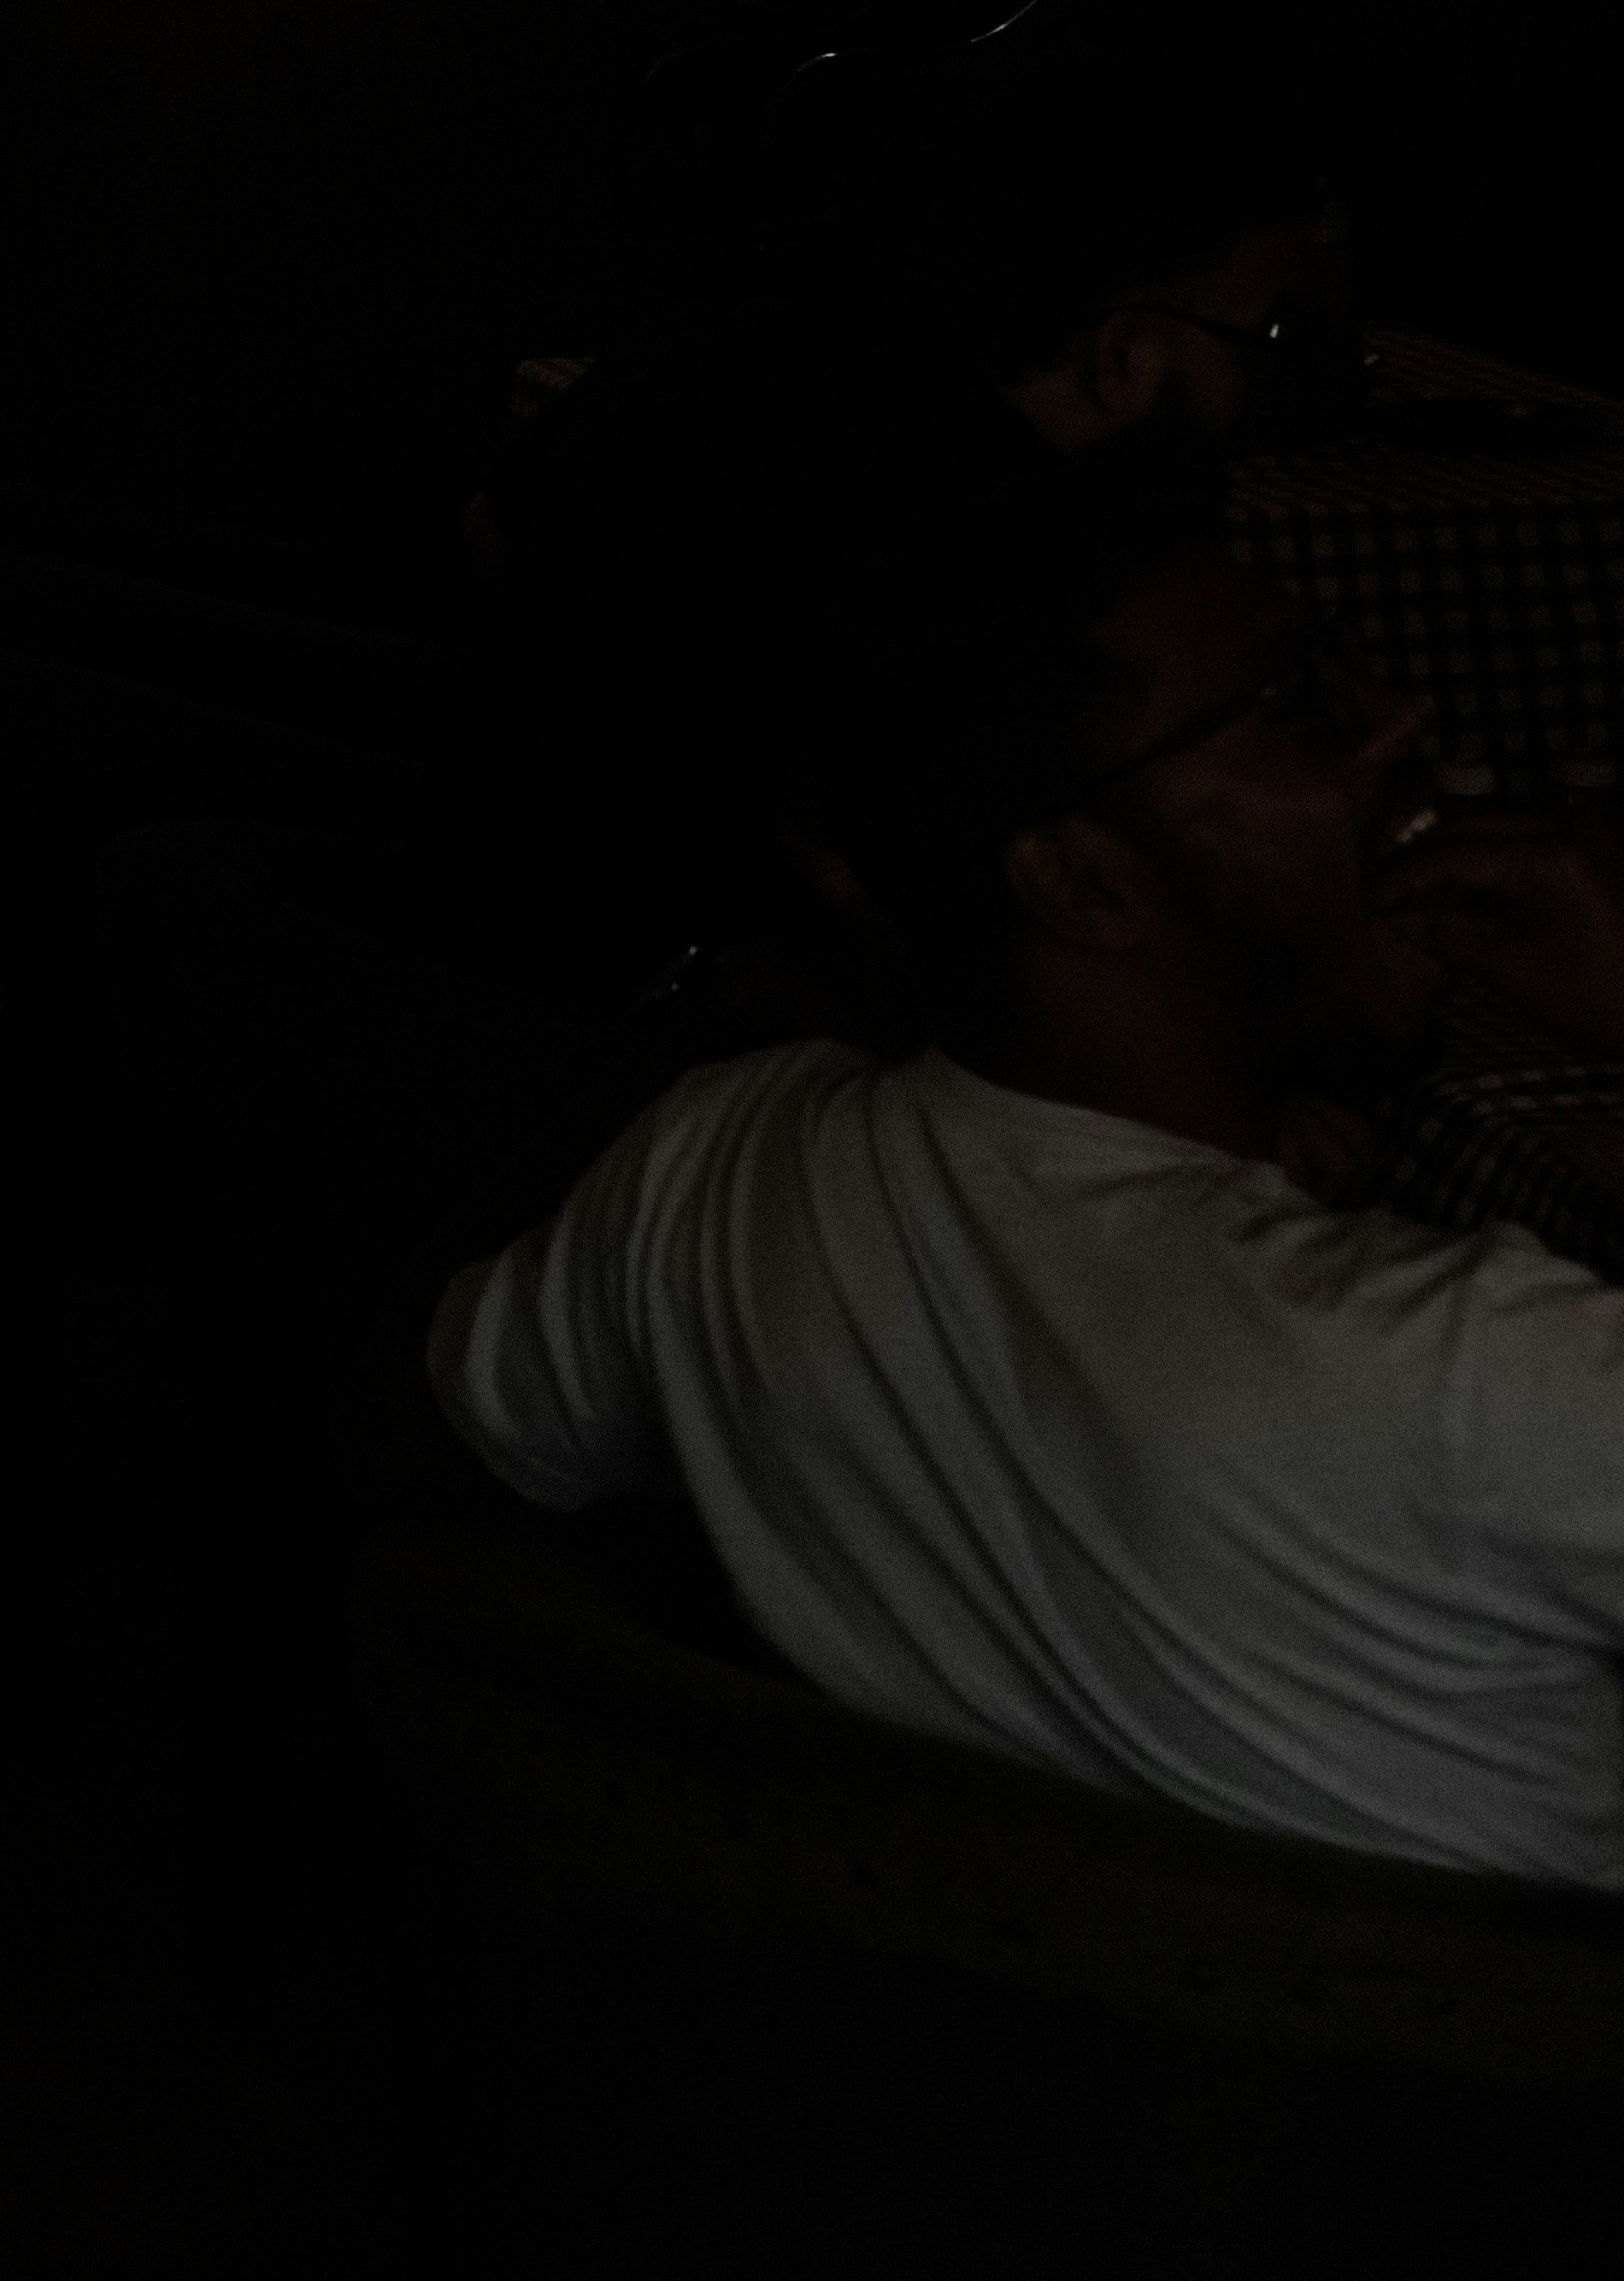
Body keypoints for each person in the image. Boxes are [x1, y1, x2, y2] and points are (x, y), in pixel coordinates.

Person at [432, 444, 1624, 1885]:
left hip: (989, 2078)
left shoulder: (712, 1168)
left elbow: (451, 1448)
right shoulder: (1475, 1368)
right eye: (1297, 701)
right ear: (1078, 878)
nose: (1406, 716)